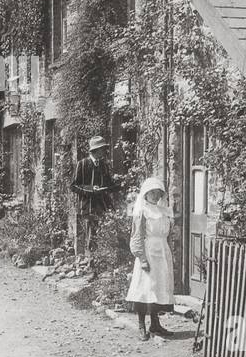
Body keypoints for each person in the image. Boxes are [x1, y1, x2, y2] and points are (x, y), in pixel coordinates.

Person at [127, 176, 175, 341]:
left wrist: (168, 255)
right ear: (145, 194)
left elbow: (167, 236)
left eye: (157, 193)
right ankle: (141, 325)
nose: (155, 196)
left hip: (162, 252)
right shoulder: (142, 212)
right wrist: (142, 258)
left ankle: (155, 324)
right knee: (144, 289)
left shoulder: (164, 211)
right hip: (148, 253)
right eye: (151, 192)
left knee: (158, 288)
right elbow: (137, 237)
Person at [69, 135, 118, 265]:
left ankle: (99, 261)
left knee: (103, 232)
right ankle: (92, 262)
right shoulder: (82, 164)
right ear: (95, 150)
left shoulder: (104, 165)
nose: (104, 152)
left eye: (104, 149)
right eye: (102, 149)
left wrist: (115, 186)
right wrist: (90, 189)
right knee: (91, 233)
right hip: (88, 205)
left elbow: (109, 183)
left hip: (102, 204)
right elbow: (73, 186)